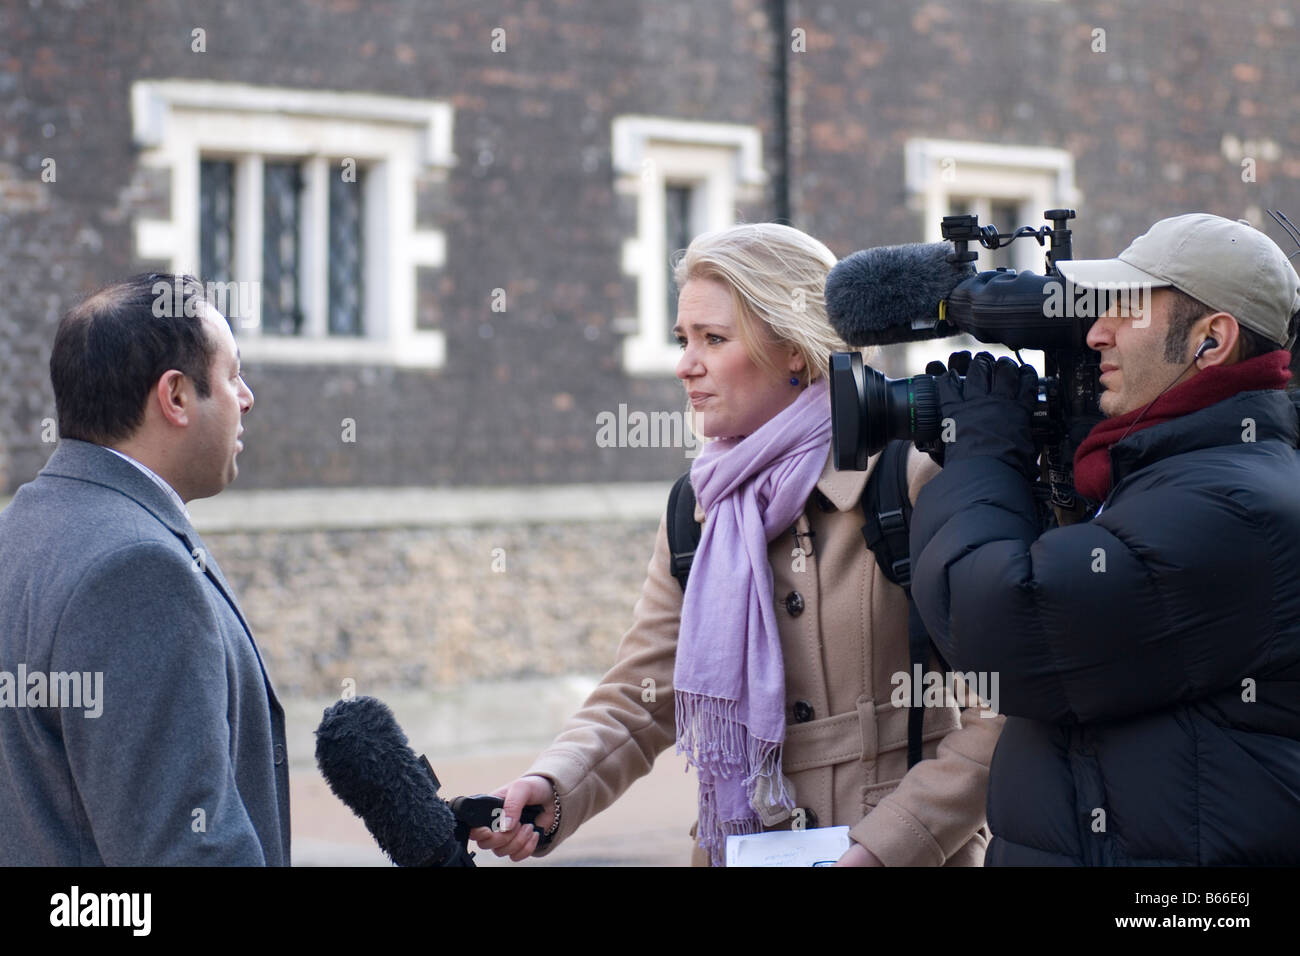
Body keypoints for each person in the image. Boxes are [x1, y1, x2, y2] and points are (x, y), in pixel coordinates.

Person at [471, 223, 1003, 866]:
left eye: (714, 339)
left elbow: (998, 715)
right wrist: (555, 783)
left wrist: (884, 849)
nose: (684, 364)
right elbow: (641, 693)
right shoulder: (697, 510)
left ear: (795, 352)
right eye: (683, 339)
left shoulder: (911, 481)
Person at [909, 213, 1300, 865]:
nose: (1095, 334)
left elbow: (998, 622)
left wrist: (980, 449)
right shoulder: (1171, 475)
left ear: (1212, 340)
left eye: (1126, 311)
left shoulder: (1233, 506)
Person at [0, 274, 291, 865]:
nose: (247, 397)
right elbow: (184, 849)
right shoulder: (137, 572)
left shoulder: (21, 530)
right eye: (232, 375)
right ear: (176, 397)